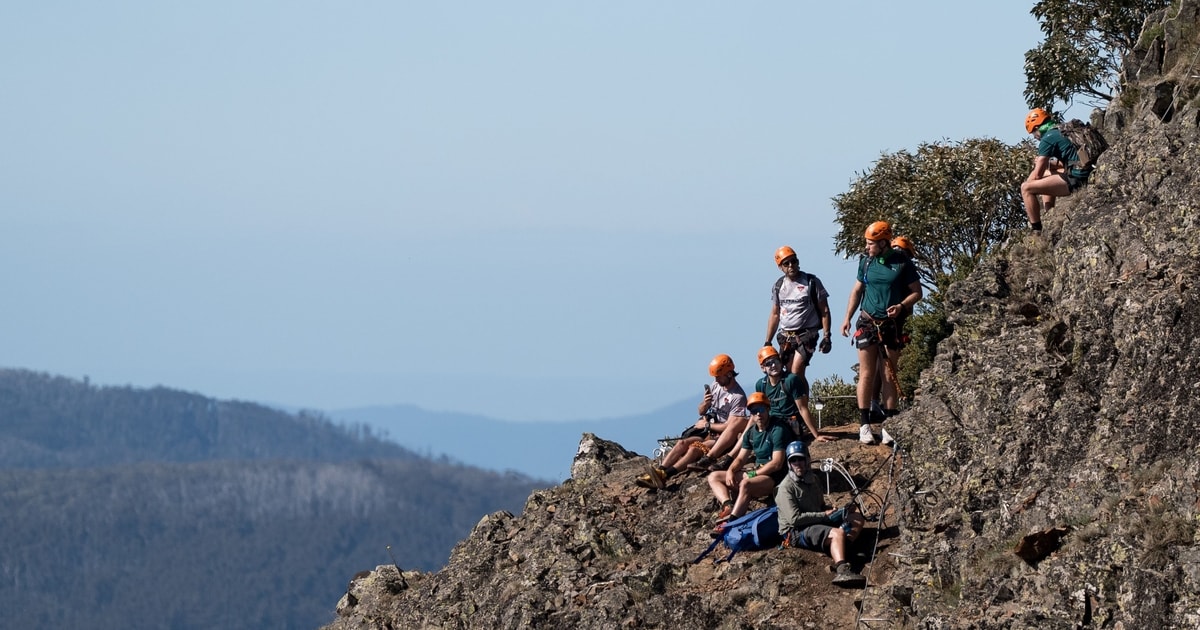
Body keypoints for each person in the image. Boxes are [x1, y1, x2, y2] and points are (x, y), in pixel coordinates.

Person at [840, 221, 922, 445]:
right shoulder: (865, 262)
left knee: (888, 373)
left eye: (871, 243)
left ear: (884, 243)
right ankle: (864, 424)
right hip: (867, 320)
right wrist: (847, 317)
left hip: (891, 324)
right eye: (867, 243)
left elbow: (917, 292)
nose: (867, 247)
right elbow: (857, 290)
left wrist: (902, 306)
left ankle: (889, 423)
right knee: (866, 373)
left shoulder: (901, 262)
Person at [636, 354, 750, 489]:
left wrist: (706, 425)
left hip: (720, 437)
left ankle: (666, 475)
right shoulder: (715, 386)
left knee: (694, 449)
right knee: (682, 443)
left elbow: (730, 427)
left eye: (719, 376)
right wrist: (705, 404)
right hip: (708, 429)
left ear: (729, 374)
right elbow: (701, 411)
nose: (716, 380)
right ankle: (659, 471)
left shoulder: (738, 396)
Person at [775, 441, 867, 587]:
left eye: (800, 458)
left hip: (816, 522)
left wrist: (838, 510)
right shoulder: (785, 488)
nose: (797, 463)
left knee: (856, 517)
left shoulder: (814, 479)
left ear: (808, 459)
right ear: (788, 463)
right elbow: (794, 520)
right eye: (793, 460)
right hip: (796, 532)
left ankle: (844, 549)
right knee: (838, 533)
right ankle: (842, 569)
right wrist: (824, 515)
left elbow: (821, 506)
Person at [706, 391, 794, 523]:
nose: (758, 414)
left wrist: (752, 474)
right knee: (714, 477)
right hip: (758, 473)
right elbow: (741, 458)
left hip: (775, 478)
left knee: (746, 483)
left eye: (761, 409)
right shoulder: (751, 433)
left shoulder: (777, 429)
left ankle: (732, 521)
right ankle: (728, 505)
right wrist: (731, 470)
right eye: (754, 411)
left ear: (768, 409)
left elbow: (777, 463)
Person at [763, 246, 834, 383]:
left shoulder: (812, 282)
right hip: (786, 336)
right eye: (786, 263)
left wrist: (827, 336)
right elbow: (775, 314)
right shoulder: (778, 286)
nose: (791, 266)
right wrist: (768, 341)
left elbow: (824, 310)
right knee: (789, 375)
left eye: (793, 261)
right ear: (780, 267)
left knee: (796, 372)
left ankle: (803, 405)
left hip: (807, 335)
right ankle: (798, 403)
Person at [1019, 108, 1092, 233]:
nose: (1035, 137)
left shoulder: (1047, 139)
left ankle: (1036, 230)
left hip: (1078, 178)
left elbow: (1037, 175)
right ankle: (1049, 213)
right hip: (1088, 169)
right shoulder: (1062, 129)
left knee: (1026, 188)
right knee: (1048, 173)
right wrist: (1051, 164)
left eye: (1033, 133)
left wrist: (1027, 189)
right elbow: (1071, 158)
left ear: (1037, 127)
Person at [756, 345, 832, 443]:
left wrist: (816, 435)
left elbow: (803, 408)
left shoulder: (791, 380)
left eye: (776, 361)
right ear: (763, 368)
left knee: (778, 436)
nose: (773, 365)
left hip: (791, 424)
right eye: (769, 363)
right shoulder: (761, 385)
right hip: (772, 423)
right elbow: (760, 411)